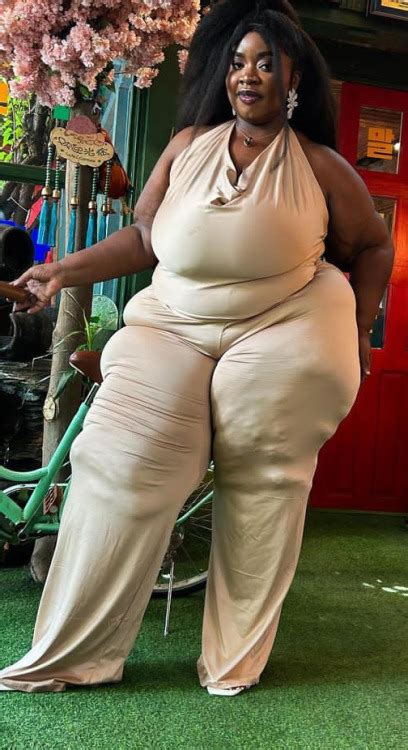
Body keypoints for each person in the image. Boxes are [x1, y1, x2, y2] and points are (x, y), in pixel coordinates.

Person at [0, 0, 394, 695]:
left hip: (278, 324)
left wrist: (360, 328)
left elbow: (371, 246)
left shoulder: (321, 165)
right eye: (238, 62)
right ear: (222, 72)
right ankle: (73, 655)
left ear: (294, 78)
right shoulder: (187, 145)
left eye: (266, 63)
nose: (249, 76)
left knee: (263, 471)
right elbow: (144, 238)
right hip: (174, 325)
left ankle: (232, 660)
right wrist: (62, 271)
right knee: (120, 458)